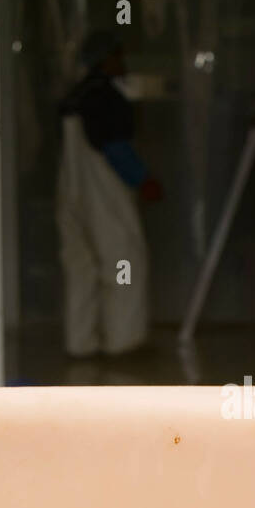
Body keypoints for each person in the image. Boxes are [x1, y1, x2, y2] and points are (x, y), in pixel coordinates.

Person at [56, 30, 161, 357]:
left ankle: (80, 342)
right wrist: (143, 180)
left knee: (81, 265)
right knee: (123, 260)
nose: (123, 62)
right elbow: (116, 149)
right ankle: (123, 342)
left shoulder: (73, 97)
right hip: (103, 191)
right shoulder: (108, 98)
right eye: (118, 55)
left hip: (70, 193)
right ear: (105, 59)